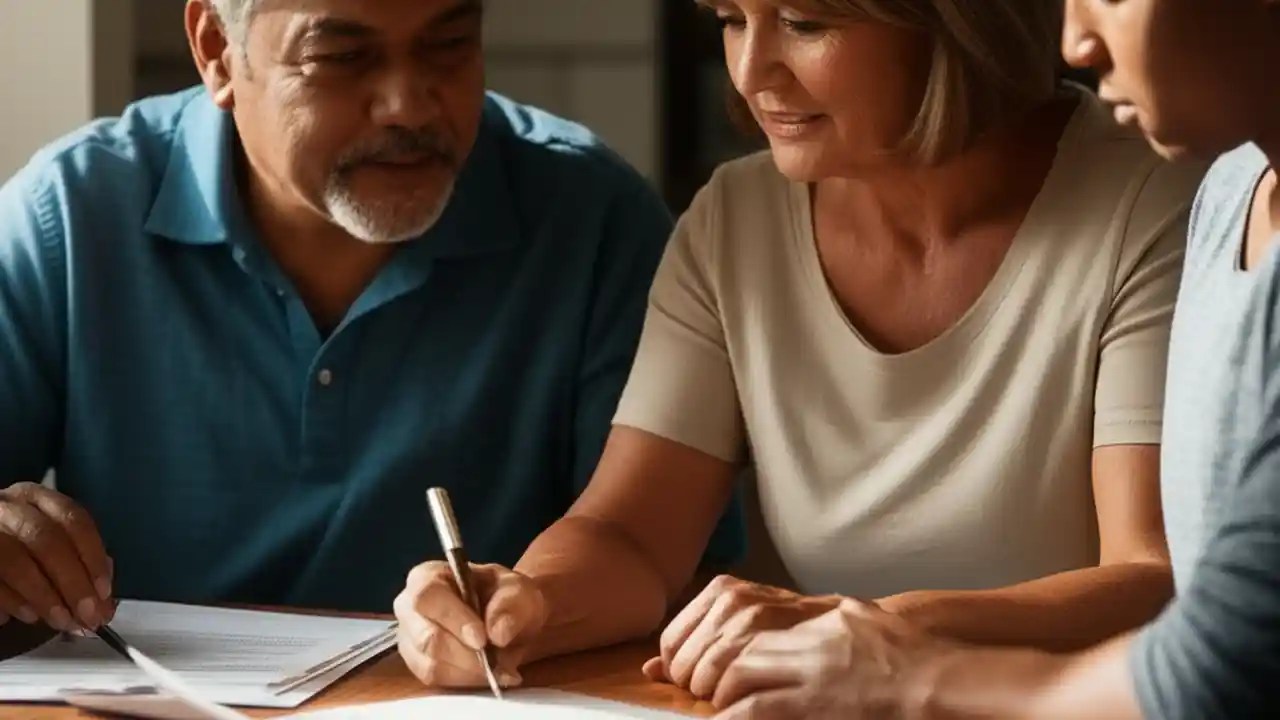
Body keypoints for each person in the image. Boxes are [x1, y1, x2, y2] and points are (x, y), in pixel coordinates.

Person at [395, 0, 1206, 695]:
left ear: (954, 19)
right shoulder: (732, 222)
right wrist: (526, 603)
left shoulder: (1153, 202)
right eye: (731, 19)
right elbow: (632, 536)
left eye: (804, 22)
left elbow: (1156, 579)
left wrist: (881, 631)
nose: (753, 72)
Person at [0, 0, 742, 633]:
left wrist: (536, 612)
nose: (409, 105)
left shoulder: (596, 224)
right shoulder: (70, 216)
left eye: (449, 44)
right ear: (218, 51)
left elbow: (669, 565)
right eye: (343, 57)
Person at [689, 0, 1280, 717]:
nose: (1076, 42)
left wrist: (905, 667)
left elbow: (1219, 654)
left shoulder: (1160, 198)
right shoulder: (1229, 194)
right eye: (728, 18)